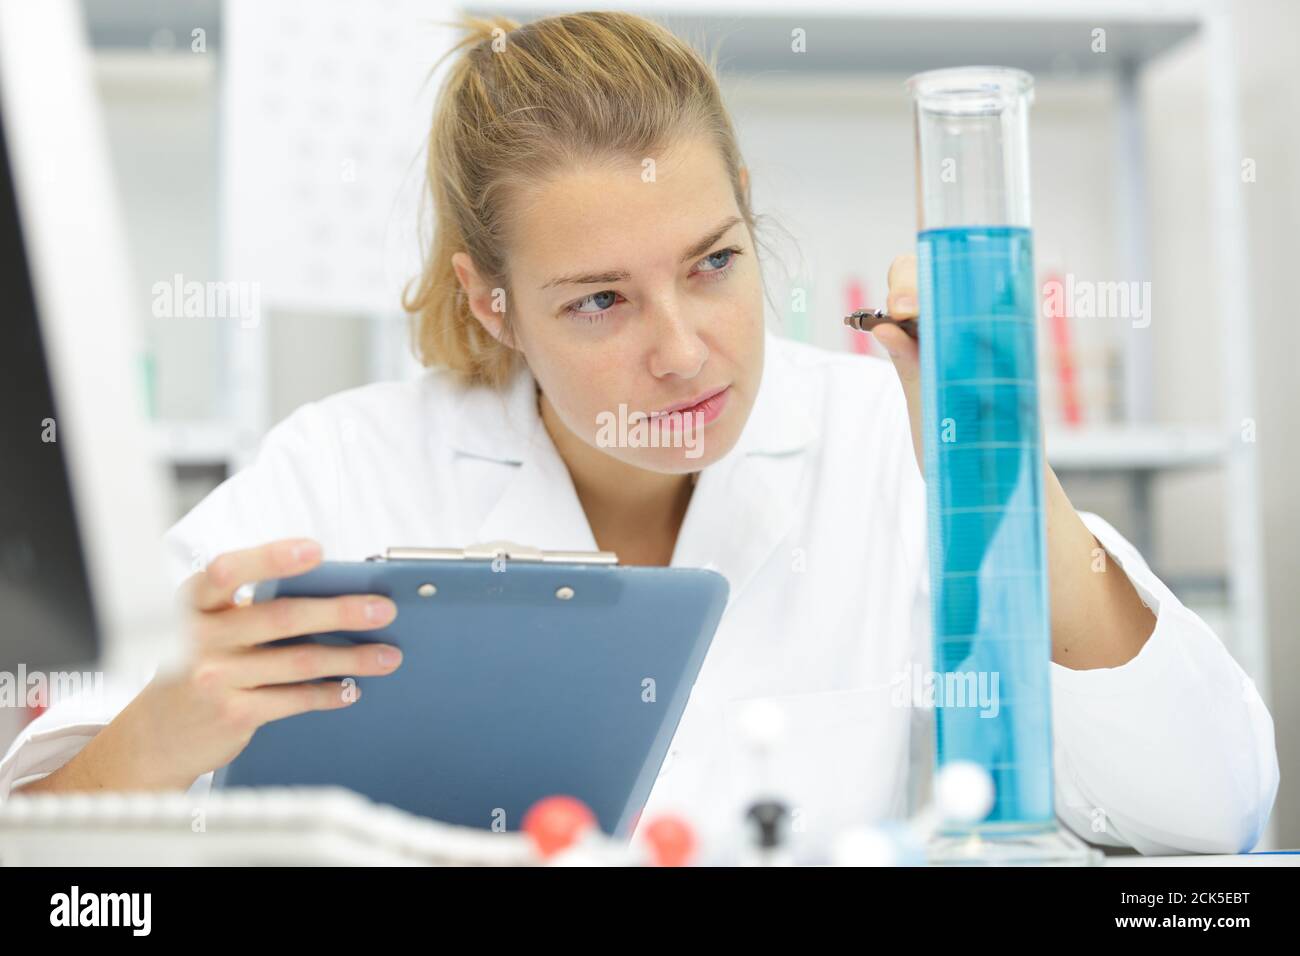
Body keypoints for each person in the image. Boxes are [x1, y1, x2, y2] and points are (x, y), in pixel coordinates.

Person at [1, 11, 1277, 855]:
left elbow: (1214, 810)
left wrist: (991, 469)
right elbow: (46, 858)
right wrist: (163, 734)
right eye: (599, 299)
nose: (680, 346)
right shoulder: (338, 471)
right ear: (487, 301)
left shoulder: (883, 444)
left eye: (712, 264)